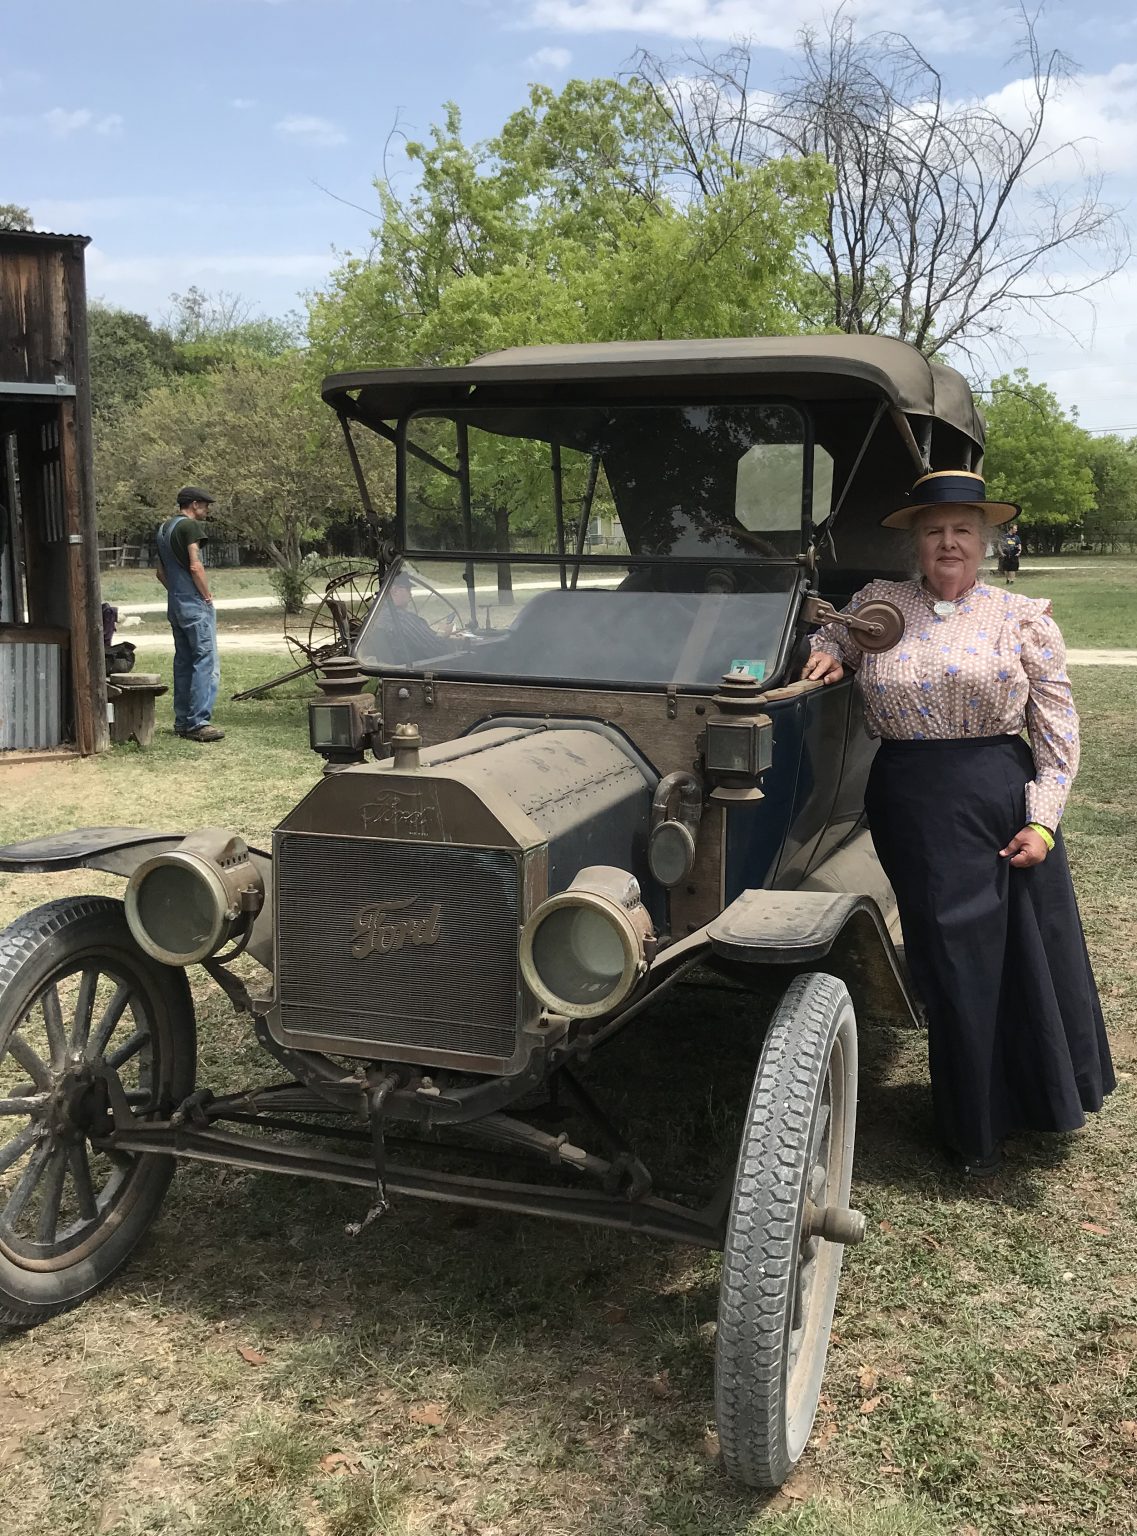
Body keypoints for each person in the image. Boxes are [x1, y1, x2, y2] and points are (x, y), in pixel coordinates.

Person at [801, 469, 1113, 1178]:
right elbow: (840, 643)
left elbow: (1056, 727)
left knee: (1023, 949)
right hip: (910, 799)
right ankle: (969, 1118)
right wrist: (827, 649)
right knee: (949, 958)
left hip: (998, 798)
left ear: (985, 540)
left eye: (963, 530)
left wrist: (1042, 822)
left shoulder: (1018, 616)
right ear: (917, 540)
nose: (949, 542)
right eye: (935, 530)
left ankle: (1037, 1097)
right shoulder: (880, 605)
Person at [156, 486, 223, 742]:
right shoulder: (190, 528)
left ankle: (182, 720)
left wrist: (177, 593)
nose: (206, 510)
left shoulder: (163, 529)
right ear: (194, 504)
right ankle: (198, 722)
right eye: (205, 505)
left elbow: (160, 573)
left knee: (183, 662)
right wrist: (206, 596)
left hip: (175, 602)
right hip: (195, 604)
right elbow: (196, 565)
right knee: (205, 661)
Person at [376, 572, 459, 664]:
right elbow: (435, 650)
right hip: (418, 669)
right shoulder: (402, 619)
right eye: (408, 590)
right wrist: (443, 633)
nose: (411, 595)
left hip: (394, 667)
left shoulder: (377, 616)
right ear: (395, 591)